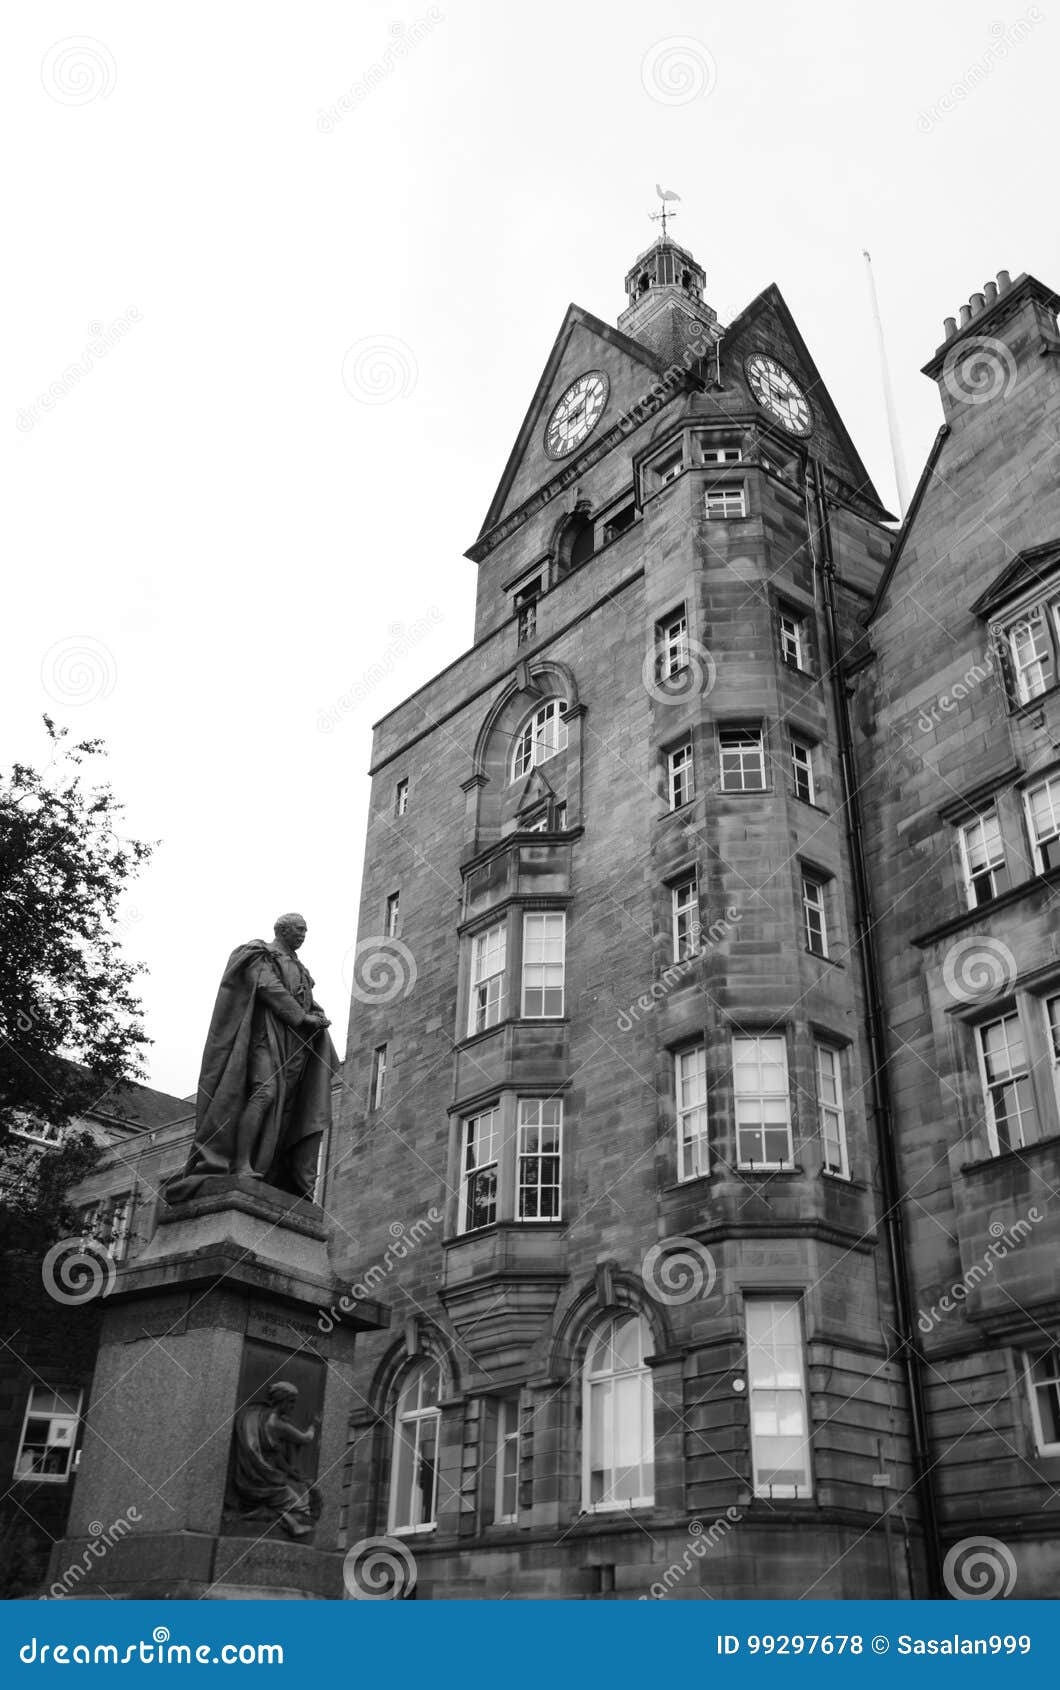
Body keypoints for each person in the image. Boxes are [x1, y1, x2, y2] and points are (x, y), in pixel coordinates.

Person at [164, 913, 335, 1203]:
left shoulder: (300, 968)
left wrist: (317, 1015)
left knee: (284, 1108)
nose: (304, 935)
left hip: (293, 1047)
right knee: (264, 1093)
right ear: (283, 930)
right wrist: (301, 1017)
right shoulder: (259, 953)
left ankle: (266, 1168)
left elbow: (305, 999)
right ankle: (241, 1163)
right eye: (299, 929)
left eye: (306, 931)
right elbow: (269, 987)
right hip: (263, 1038)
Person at [228, 1381, 321, 1538]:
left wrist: (294, 1474)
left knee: (300, 1496)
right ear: (282, 1401)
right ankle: (290, 1524)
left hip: (265, 1475)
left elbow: (276, 1458)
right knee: (303, 1508)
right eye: (291, 1402)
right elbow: (305, 1439)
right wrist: (314, 1425)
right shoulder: (277, 1424)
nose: (293, 1406)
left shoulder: (260, 1417)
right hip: (266, 1481)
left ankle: (287, 1522)